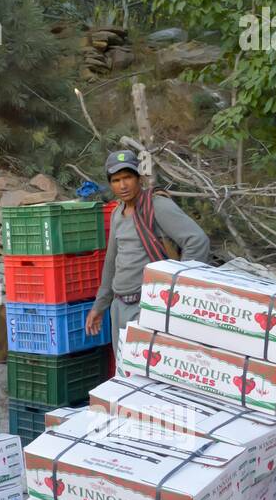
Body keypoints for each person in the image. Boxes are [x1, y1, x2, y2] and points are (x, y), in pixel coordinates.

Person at [87, 150, 211, 361]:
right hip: (119, 307)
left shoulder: (157, 205)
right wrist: (100, 306)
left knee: (145, 370)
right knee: (125, 371)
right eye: (116, 180)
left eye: (127, 177)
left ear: (139, 178)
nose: (123, 185)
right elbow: (112, 262)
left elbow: (197, 240)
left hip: (146, 305)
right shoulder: (118, 212)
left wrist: (176, 289)